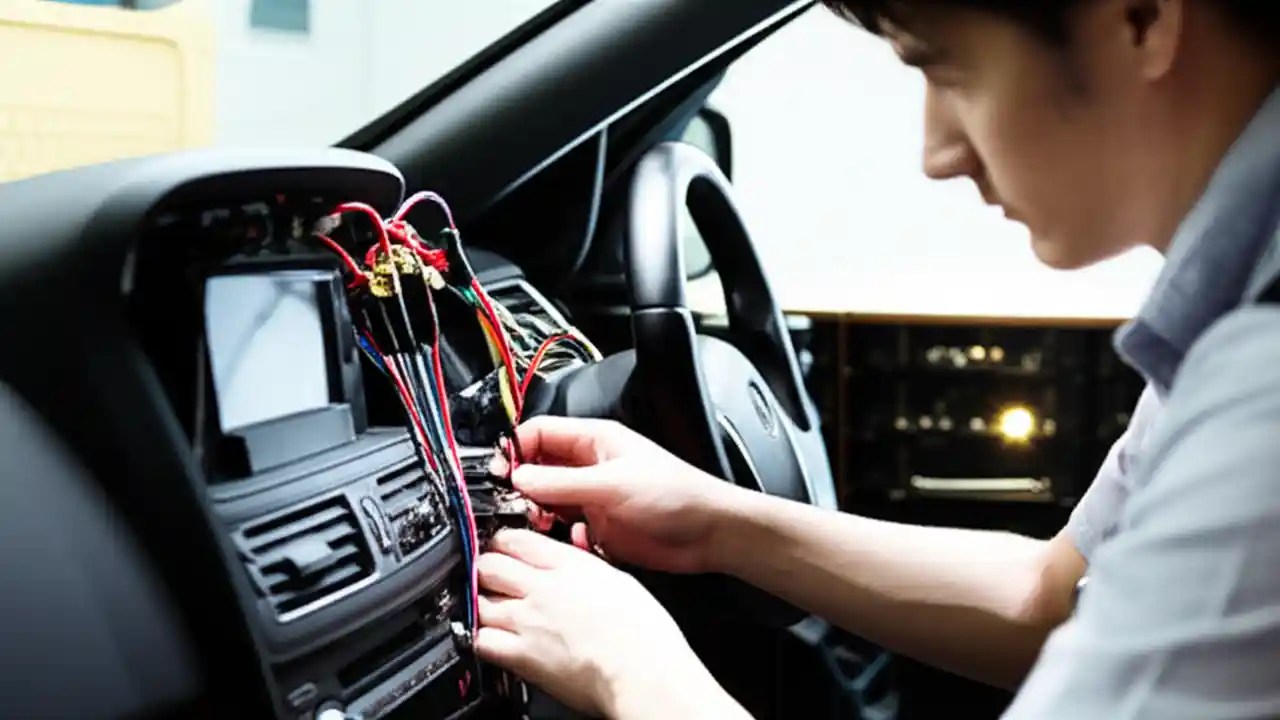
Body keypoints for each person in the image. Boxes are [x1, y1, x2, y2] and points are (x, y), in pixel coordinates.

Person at [474, 0, 1280, 717]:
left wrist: (632, 676)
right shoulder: (1229, 329)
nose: (938, 150)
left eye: (948, 70)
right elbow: (1051, 599)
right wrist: (711, 526)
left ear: (1141, 17)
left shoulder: (1260, 395)